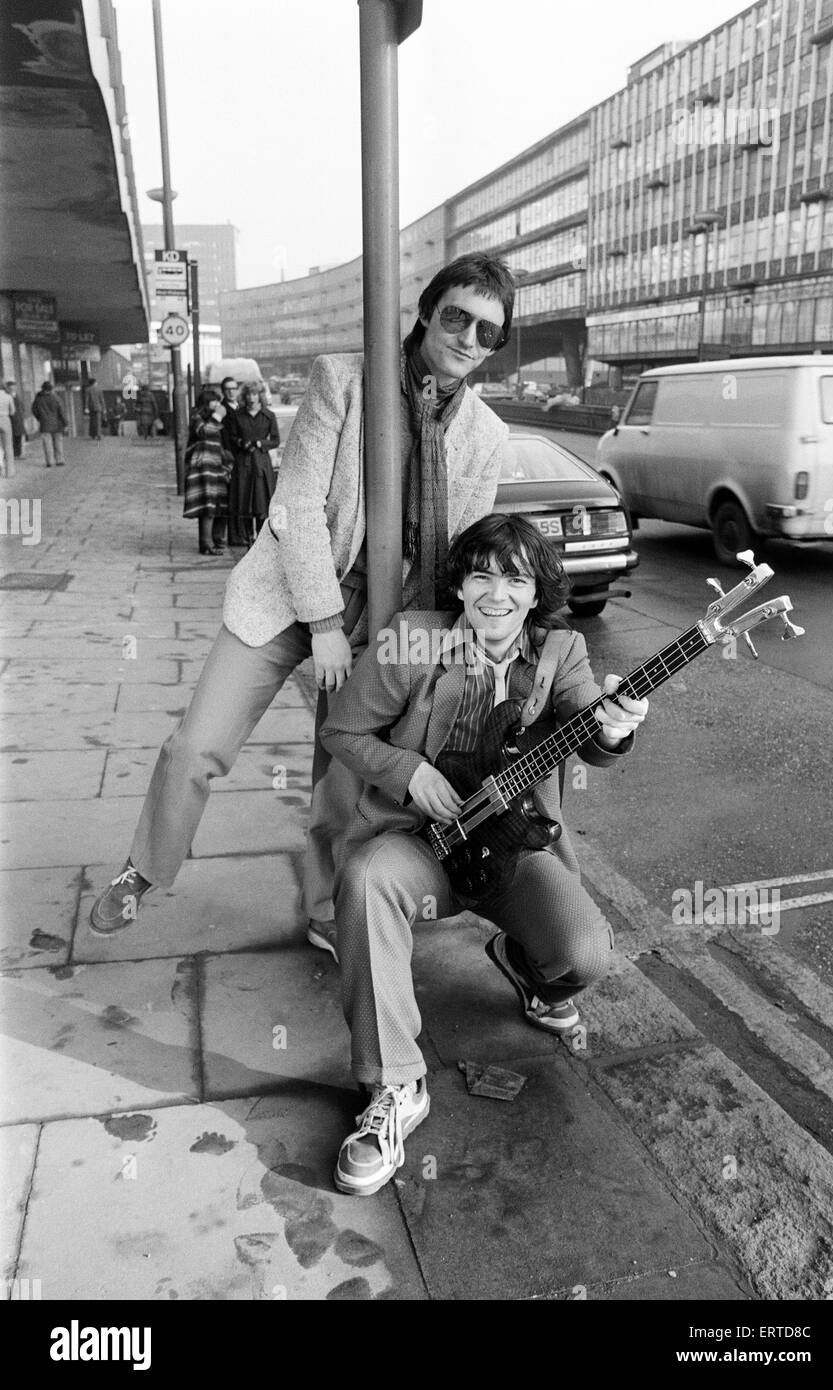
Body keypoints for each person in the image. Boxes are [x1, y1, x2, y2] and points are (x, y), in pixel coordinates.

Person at [88, 252, 515, 943]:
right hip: (292, 592)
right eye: (456, 317)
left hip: (386, 617)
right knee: (196, 744)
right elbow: (296, 505)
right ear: (426, 314)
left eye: (486, 331)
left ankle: (324, 912)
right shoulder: (342, 379)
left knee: (340, 786)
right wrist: (320, 621)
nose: (467, 338)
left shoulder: (486, 435)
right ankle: (145, 867)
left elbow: (464, 552)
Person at [319, 513, 649, 1196]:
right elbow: (343, 729)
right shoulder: (413, 639)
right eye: (480, 577)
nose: (495, 595)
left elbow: (591, 737)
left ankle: (528, 972)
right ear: (460, 587)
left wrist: (614, 727)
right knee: (365, 879)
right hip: (422, 842)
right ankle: (394, 1087)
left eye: (515, 580)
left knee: (584, 955)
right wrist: (408, 772)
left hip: (513, 849)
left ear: (536, 595)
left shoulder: (561, 651)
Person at [225, 380, 280, 547]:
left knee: (262, 502)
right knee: (244, 500)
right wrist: (242, 443)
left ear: (260, 396)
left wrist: (260, 444)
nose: (251, 397)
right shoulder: (237, 415)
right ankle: (248, 537)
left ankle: (263, 539)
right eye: (248, 394)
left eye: (254, 394)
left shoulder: (268, 415)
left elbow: (276, 440)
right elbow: (232, 438)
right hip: (244, 463)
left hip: (261, 464)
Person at [182, 387, 231, 555]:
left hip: (215, 467)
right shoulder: (197, 418)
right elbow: (204, 432)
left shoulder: (212, 419)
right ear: (206, 402)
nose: (218, 404)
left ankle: (212, 542)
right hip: (202, 468)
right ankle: (206, 544)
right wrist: (218, 415)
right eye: (214, 400)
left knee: (216, 506)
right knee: (207, 508)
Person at [218, 377, 241, 550]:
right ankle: (228, 536)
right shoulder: (222, 409)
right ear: (223, 391)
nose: (231, 391)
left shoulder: (240, 408)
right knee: (229, 499)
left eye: (233, 388)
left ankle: (239, 534)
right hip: (228, 458)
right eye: (227, 389)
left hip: (241, 458)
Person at [32, 381, 67, 467]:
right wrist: (65, 422)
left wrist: (39, 418)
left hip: (45, 424)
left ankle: (50, 462)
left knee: (47, 443)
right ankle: (60, 460)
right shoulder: (56, 398)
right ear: (51, 389)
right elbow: (61, 411)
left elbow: (34, 410)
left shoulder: (38, 399)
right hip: (57, 424)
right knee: (58, 442)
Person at [5, 381, 25, 459]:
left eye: (14, 387)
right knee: (11, 438)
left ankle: (18, 454)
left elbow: (22, 406)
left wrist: (22, 415)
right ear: (8, 388)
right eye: (11, 388)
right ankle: (14, 454)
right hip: (10, 420)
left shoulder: (17, 396)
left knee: (18, 437)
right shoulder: (7, 396)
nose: (13, 389)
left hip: (18, 420)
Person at [0, 381, 16, 476]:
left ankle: (0, 465)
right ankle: (10, 472)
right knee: (8, 446)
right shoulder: (8, 396)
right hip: (5, 420)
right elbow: (12, 412)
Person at [84, 377, 106, 443]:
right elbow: (102, 399)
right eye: (96, 382)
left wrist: (86, 407)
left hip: (91, 408)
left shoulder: (87, 389)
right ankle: (98, 435)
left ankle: (93, 434)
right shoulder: (99, 389)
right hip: (98, 407)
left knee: (92, 421)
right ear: (94, 383)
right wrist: (104, 408)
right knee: (98, 421)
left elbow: (87, 399)